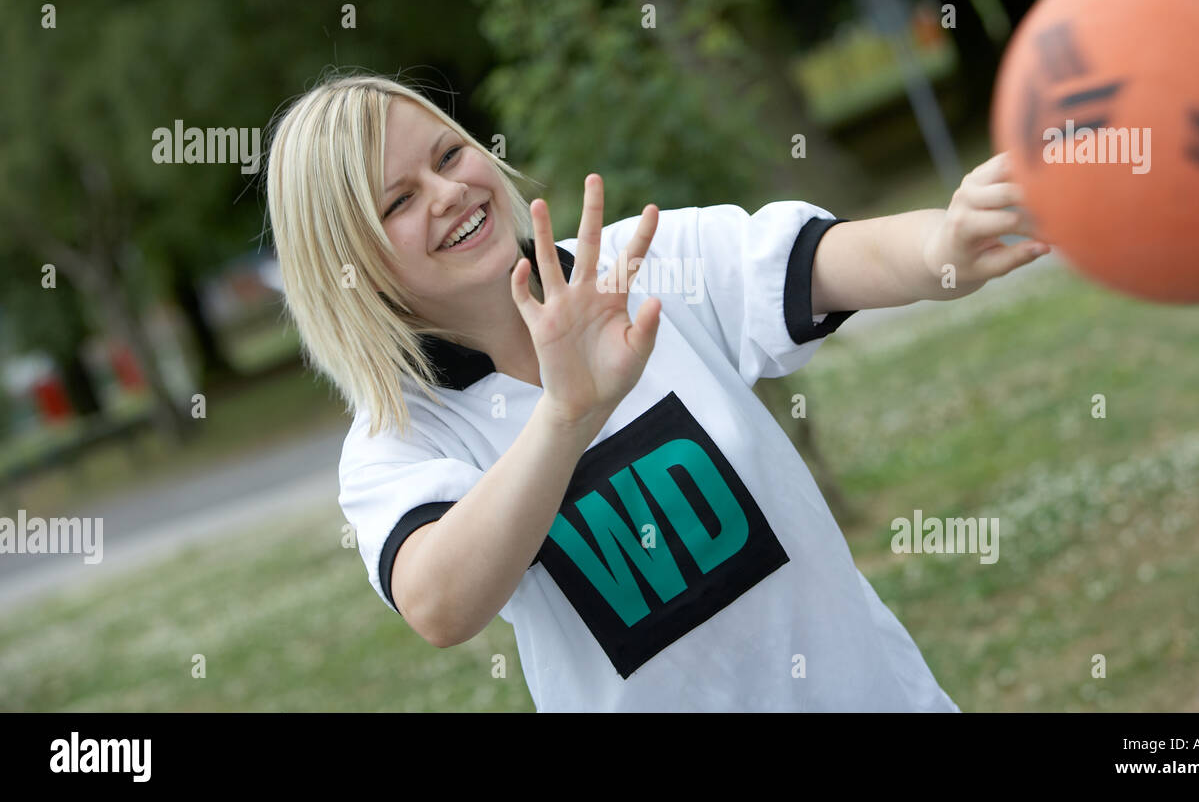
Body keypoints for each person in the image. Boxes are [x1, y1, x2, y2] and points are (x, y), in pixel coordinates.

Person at [264, 72, 1049, 711]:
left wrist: (941, 245)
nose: (447, 192)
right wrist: (567, 415)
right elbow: (441, 605)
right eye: (397, 201)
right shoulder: (398, 438)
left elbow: (831, 259)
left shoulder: (641, 263)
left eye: (448, 155)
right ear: (348, 262)